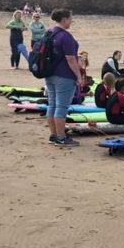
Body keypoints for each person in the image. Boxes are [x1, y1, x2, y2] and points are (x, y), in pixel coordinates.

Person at [44, 9, 81, 147]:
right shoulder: (66, 36)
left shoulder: (49, 33)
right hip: (64, 75)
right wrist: (78, 76)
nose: (72, 21)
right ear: (64, 19)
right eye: (70, 18)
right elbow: (71, 59)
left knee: (52, 104)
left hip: (49, 74)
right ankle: (61, 137)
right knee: (62, 106)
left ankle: (54, 135)